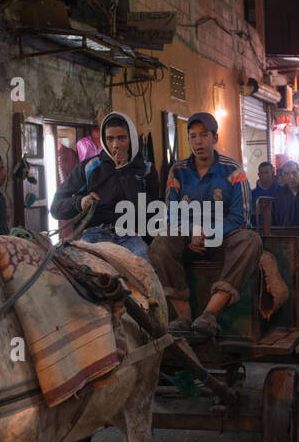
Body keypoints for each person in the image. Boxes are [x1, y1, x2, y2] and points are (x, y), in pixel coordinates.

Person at [149, 112, 262, 335]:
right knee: (160, 244)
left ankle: (210, 314)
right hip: (188, 241)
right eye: (193, 136)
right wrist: (190, 232)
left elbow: (241, 218)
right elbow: (171, 214)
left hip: (223, 241)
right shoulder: (177, 171)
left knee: (251, 240)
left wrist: (209, 233)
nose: (198, 142)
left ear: (215, 138)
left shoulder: (233, 170)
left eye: (204, 135)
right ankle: (183, 316)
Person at [51, 111, 151, 259]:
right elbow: (56, 209)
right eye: (110, 139)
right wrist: (80, 202)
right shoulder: (90, 167)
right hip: (94, 235)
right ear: (104, 141)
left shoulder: (145, 169)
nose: (116, 145)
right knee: (85, 270)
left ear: (131, 139)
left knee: (142, 265)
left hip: (130, 236)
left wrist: (124, 172)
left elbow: (150, 214)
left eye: (122, 138)